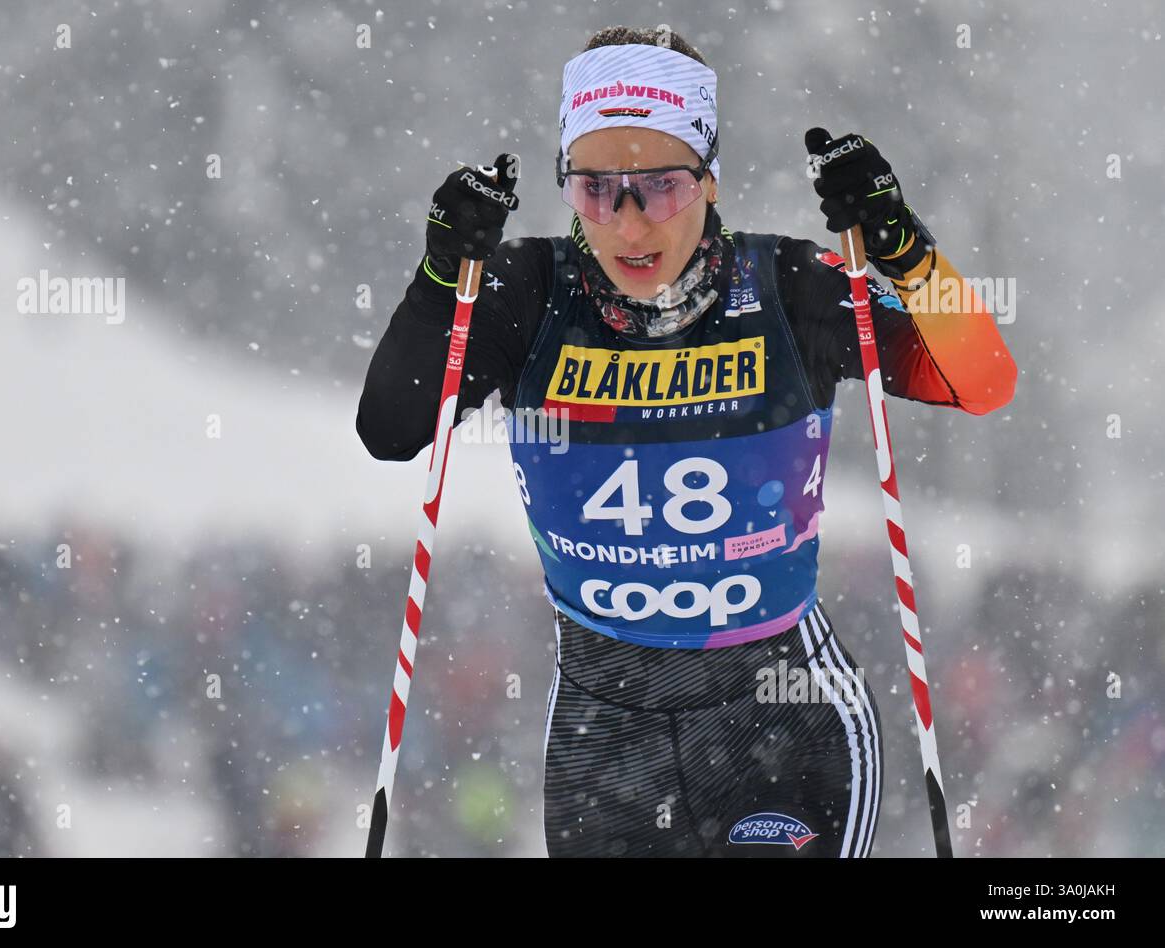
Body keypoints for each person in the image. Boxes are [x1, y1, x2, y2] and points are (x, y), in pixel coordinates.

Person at [357, 25, 1017, 857]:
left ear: (711, 178)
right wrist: (438, 281)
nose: (630, 225)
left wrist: (902, 246)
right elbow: (391, 428)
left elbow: (980, 381)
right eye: (597, 190)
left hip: (781, 715)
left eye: (661, 187)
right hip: (605, 738)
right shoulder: (529, 294)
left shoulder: (789, 288)